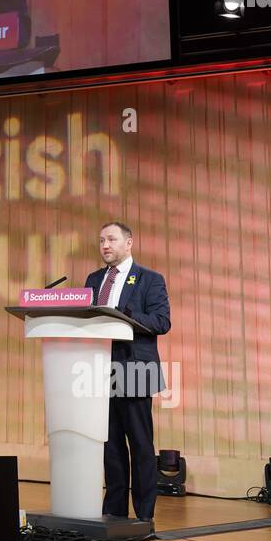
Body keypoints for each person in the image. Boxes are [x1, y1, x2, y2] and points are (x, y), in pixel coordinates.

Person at [86, 221, 171, 524]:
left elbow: (162, 322)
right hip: (98, 368)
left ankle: (144, 515)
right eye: (101, 240)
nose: (105, 245)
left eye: (111, 239)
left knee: (140, 445)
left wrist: (127, 316)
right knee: (109, 445)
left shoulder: (150, 279)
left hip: (134, 367)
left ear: (129, 243)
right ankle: (114, 512)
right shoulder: (94, 279)